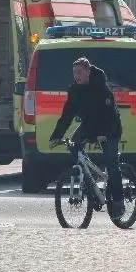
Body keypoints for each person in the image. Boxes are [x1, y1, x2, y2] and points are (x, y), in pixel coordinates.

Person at [49, 57, 125, 218]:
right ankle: (89, 180)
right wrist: (56, 136)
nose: (77, 75)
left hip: (109, 128)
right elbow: (67, 115)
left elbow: (110, 116)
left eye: (80, 72)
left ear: (88, 72)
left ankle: (118, 202)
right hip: (89, 126)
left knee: (112, 164)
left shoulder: (101, 89)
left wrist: (104, 134)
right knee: (73, 145)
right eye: (74, 72)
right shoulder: (74, 90)